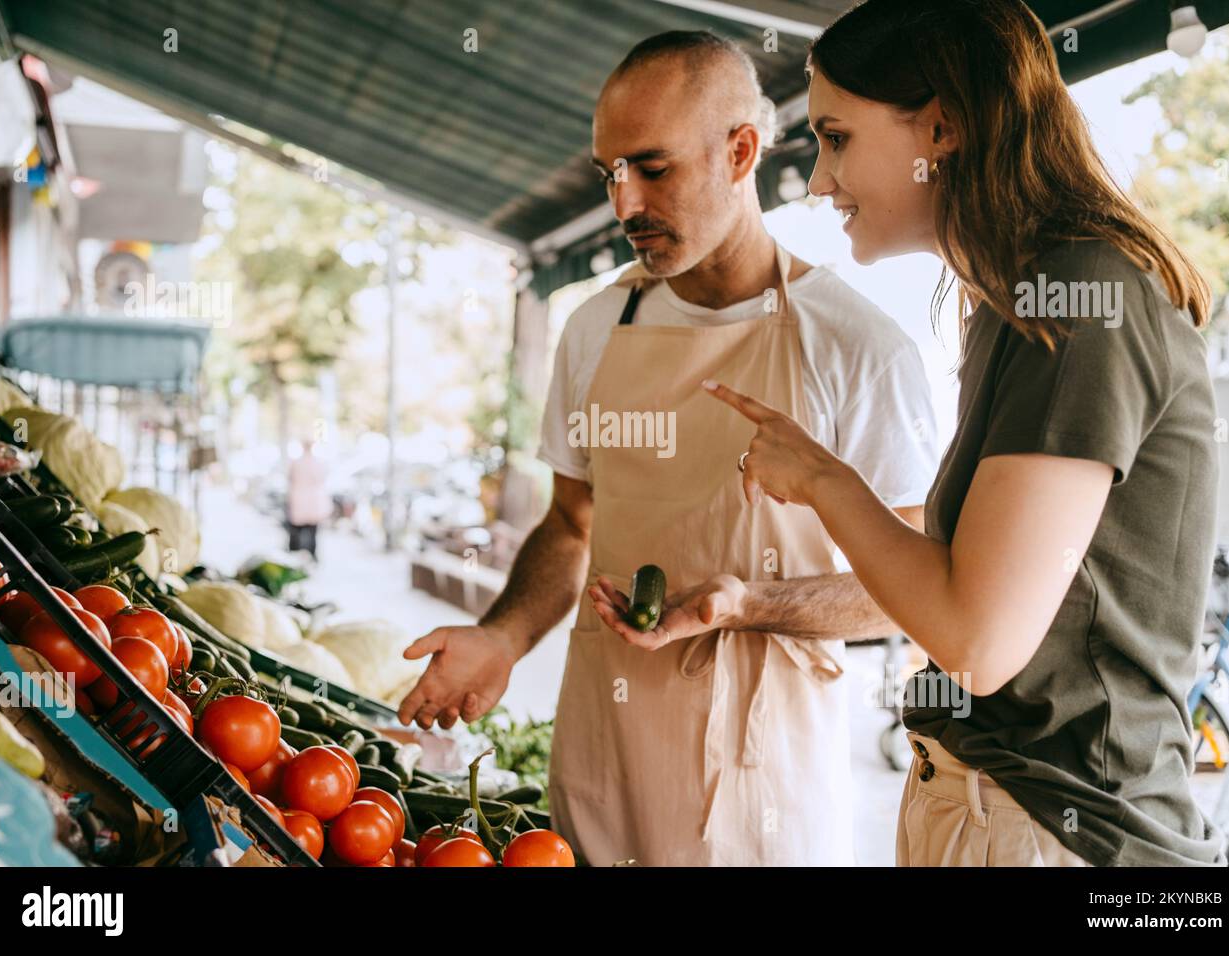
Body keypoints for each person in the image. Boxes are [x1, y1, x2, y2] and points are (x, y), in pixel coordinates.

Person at [694, 0, 1224, 866]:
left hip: (1059, 830)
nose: (819, 181)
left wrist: (826, 481)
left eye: (836, 137)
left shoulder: (1080, 296)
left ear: (941, 127)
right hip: (991, 805)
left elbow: (976, 640)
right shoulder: (1011, 303)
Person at [396, 30, 940, 865]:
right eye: (609, 173)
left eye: (653, 168)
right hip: (603, 759)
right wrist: (502, 637)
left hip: (769, 782)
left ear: (741, 151)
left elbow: (912, 588)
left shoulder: (858, 347)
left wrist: (750, 603)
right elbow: (571, 526)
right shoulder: (592, 329)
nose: (624, 204)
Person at [286, 440, 331, 561]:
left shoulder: (296, 463)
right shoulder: (317, 463)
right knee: (312, 532)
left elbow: (290, 478)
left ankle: (294, 555)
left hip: (299, 500)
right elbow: (321, 480)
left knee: (295, 532)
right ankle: (311, 555)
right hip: (312, 502)